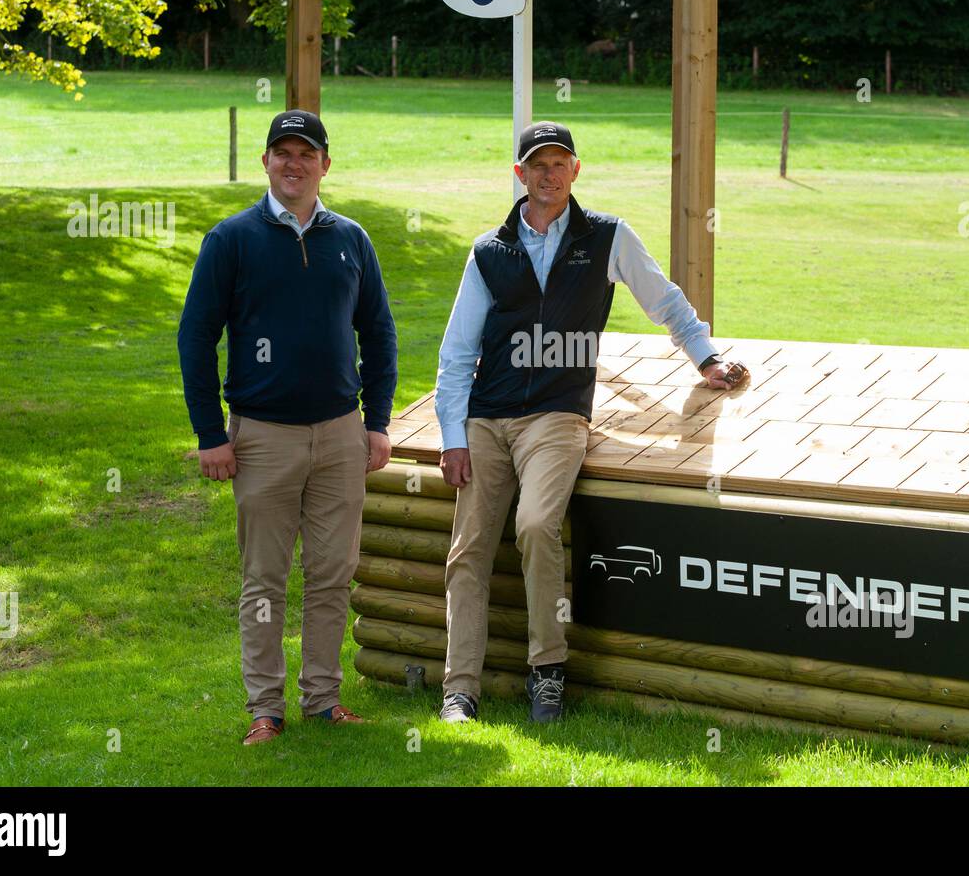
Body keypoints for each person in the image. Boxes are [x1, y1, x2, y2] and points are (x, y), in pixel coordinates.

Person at [434, 120, 747, 724]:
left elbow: (665, 299)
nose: (548, 175)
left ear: (575, 171)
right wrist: (453, 437)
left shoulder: (606, 236)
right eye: (537, 165)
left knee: (535, 524)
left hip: (557, 414)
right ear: (518, 174)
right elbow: (456, 353)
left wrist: (706, 357)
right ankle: (459, 690)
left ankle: (546, 672)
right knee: (467, 548)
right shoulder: (488, 251)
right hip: (486, 416)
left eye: (560, 164)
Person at [177, 109, 398, 745]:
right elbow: (197, 338)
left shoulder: (351, 240)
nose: (293, 163)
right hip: (261, 438)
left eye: (306, 153)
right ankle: (264, 709)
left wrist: (376, 423)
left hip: (340, 434)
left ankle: (323, 699)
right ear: (266, 162)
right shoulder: (231, 240)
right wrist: (209, 433)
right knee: (266, 580)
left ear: (325, 164)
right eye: (282, 153)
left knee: (332, 573)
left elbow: (378, 334)